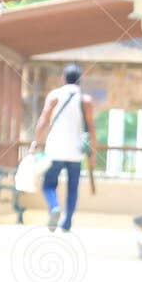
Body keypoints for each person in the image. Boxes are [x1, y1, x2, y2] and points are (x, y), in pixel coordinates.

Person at [29, 62, 97, 232]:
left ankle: (54, 207)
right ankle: (67, 222)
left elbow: (43, 120)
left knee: (48, 185)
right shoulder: (85, 100)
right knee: (72, 188)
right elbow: (91, 127)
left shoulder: (54, 96)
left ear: (63, 78)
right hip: (76, 153)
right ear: (80, 80)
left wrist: (36, 142)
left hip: (55, 150)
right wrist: (93, 153)